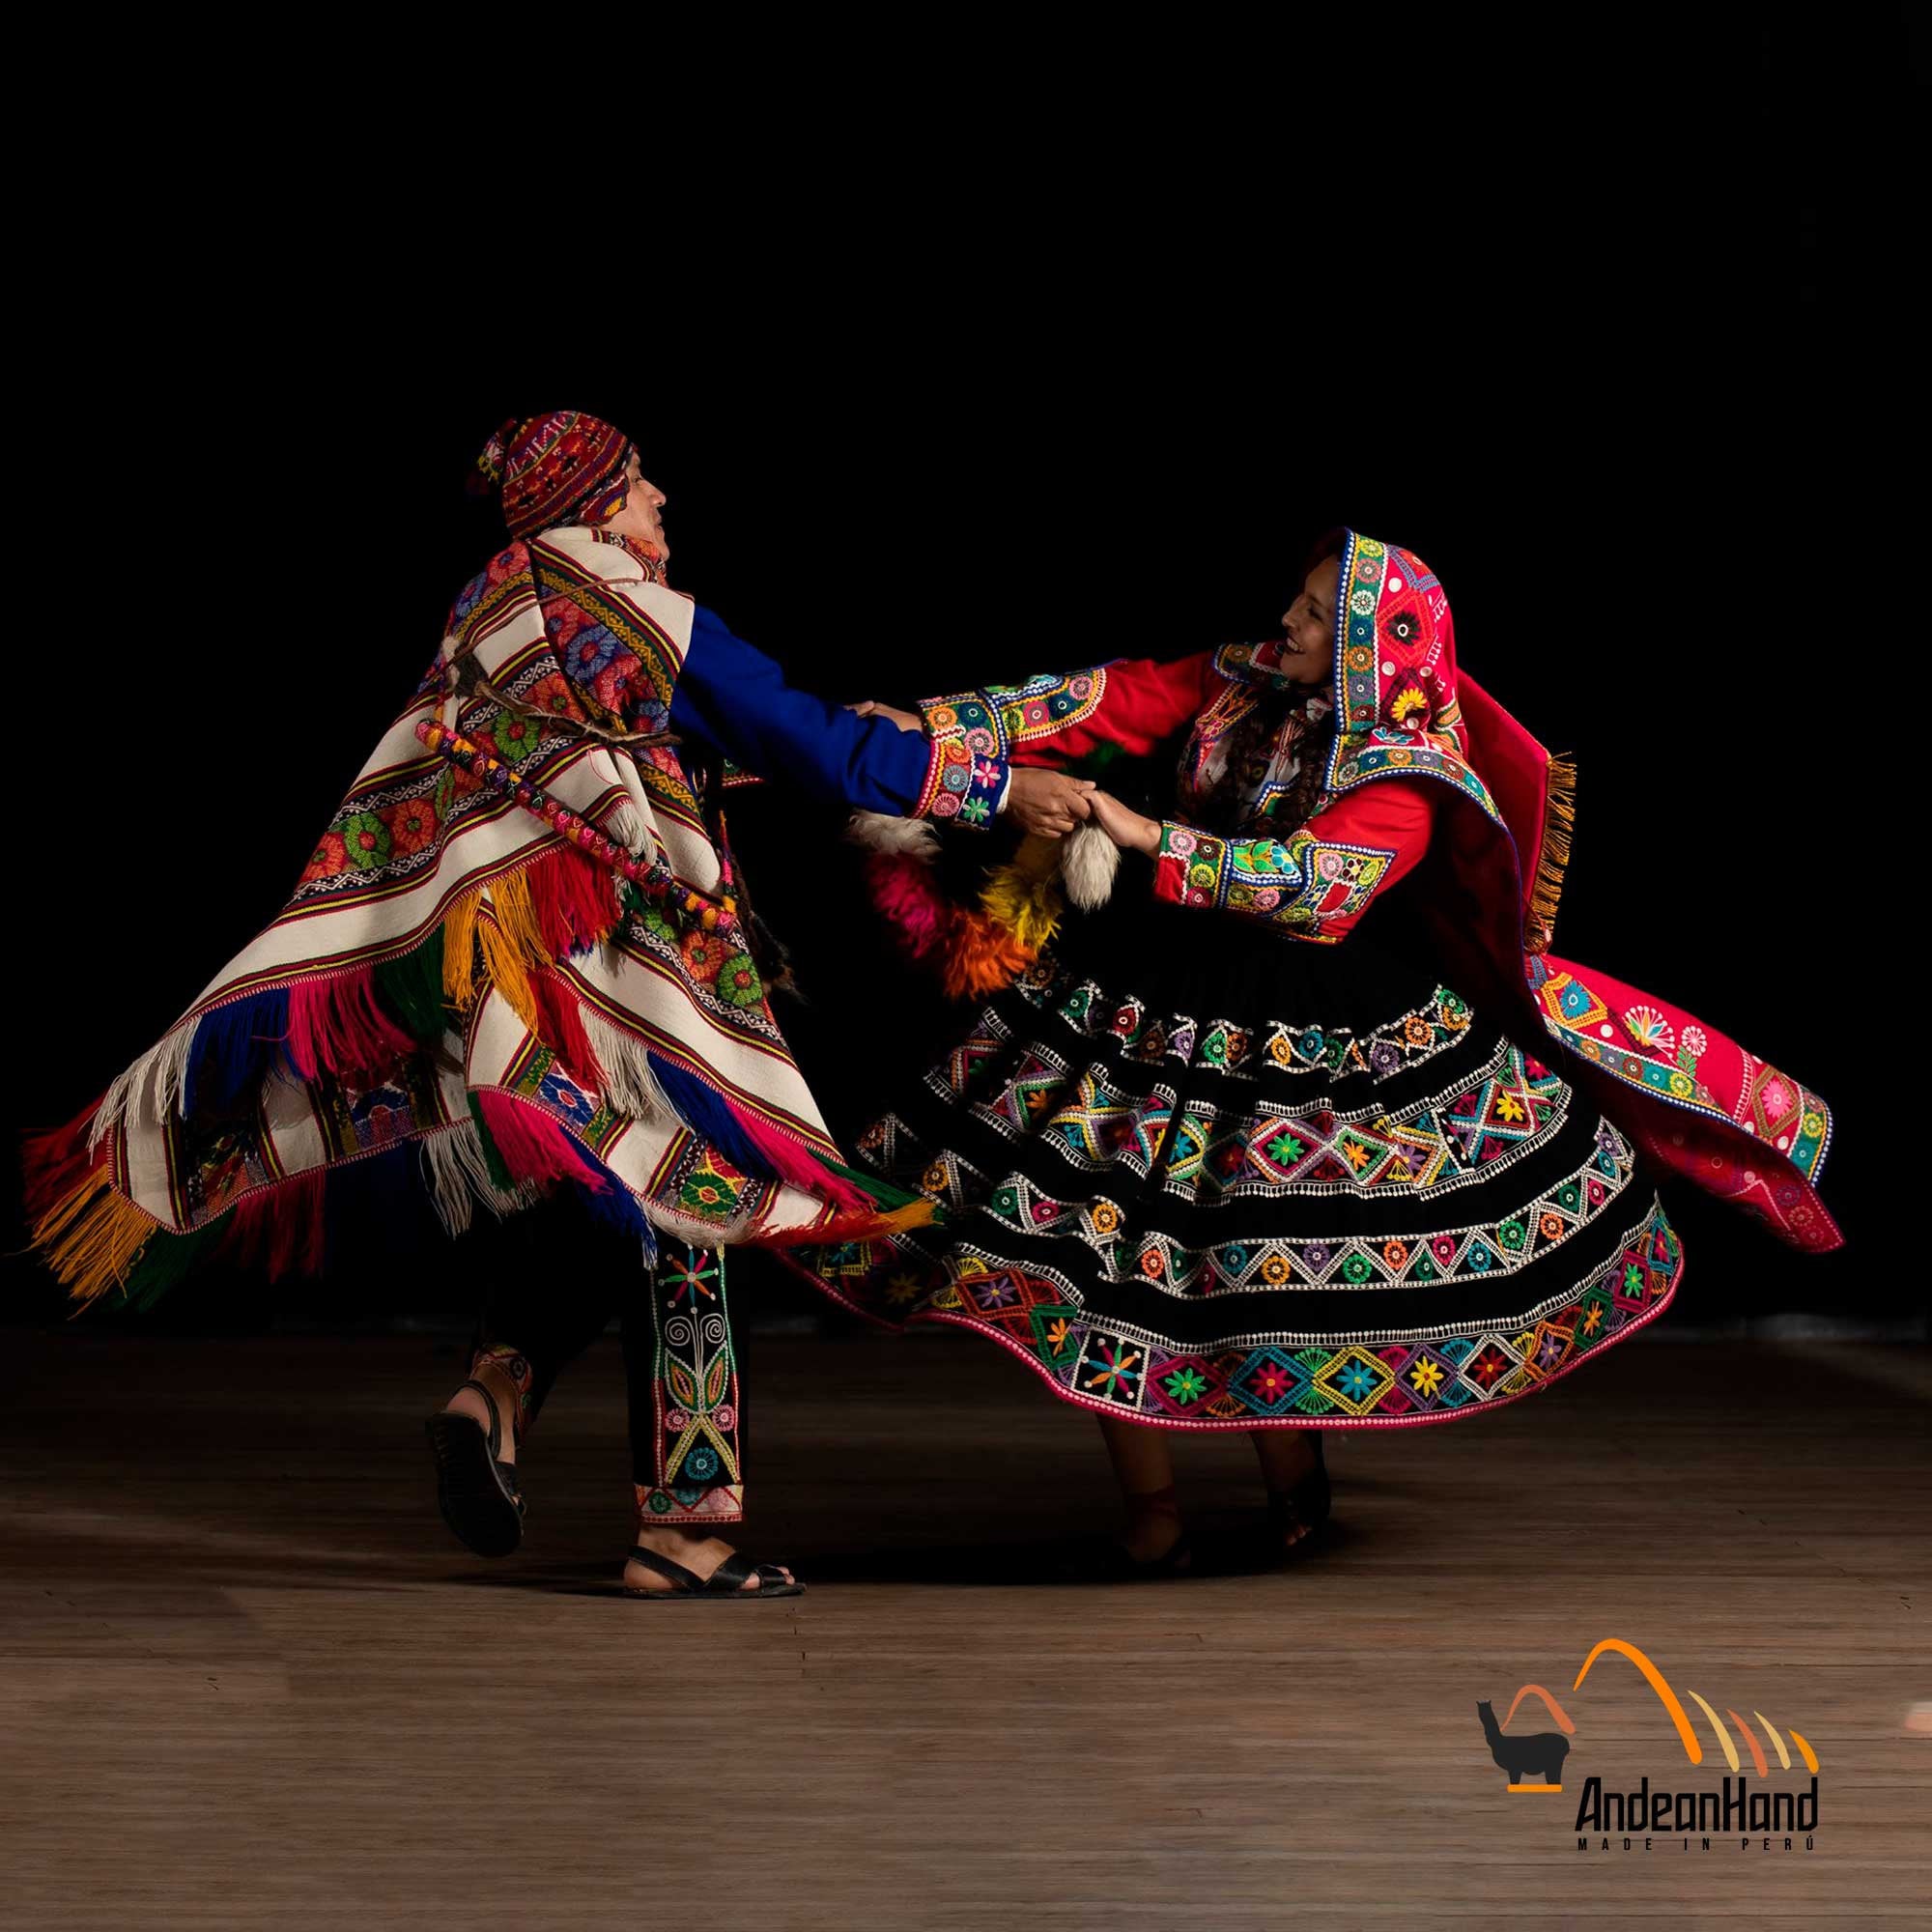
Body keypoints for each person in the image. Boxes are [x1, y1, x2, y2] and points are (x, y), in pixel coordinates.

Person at [21, 407, 1092, 1600]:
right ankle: (684, 1530)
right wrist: (1002, 784)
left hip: (499, 972)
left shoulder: (491, 607)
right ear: (594, 507)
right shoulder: (645, 612)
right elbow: (815, 746)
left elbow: (602, 754)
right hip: (619, 970)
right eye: (640, 486)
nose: (661, 502)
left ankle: (494, 1392)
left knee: (603, 1193)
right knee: (697, 1203)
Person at [786, 528, 1840, 1575]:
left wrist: (1146, 835)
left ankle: (1291, 1473)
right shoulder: (1233, 678)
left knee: (1242, 1269)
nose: (1282, 621)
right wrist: (917, 736)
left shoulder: (1408, 770)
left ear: (1358, 648)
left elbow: (1310, 890)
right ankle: (1151, 1512)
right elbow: (1095, 699)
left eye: (1308, 614)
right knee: (1087, 1253)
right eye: (1293, 601)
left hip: (1300, 1014)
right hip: (1151, 988)